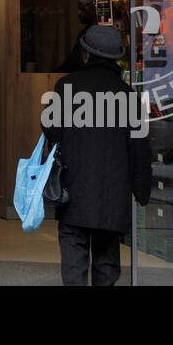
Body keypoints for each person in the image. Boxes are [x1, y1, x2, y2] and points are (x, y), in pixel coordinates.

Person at [43, 24, 152, 286]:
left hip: (74, 189)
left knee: (73, 259)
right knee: (106, 261)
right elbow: (140, 148)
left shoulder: (66, 86)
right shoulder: (128, 96)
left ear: (86, 54)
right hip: (113, 193)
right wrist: (141, 189)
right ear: (116, 58)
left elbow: (51, 131)